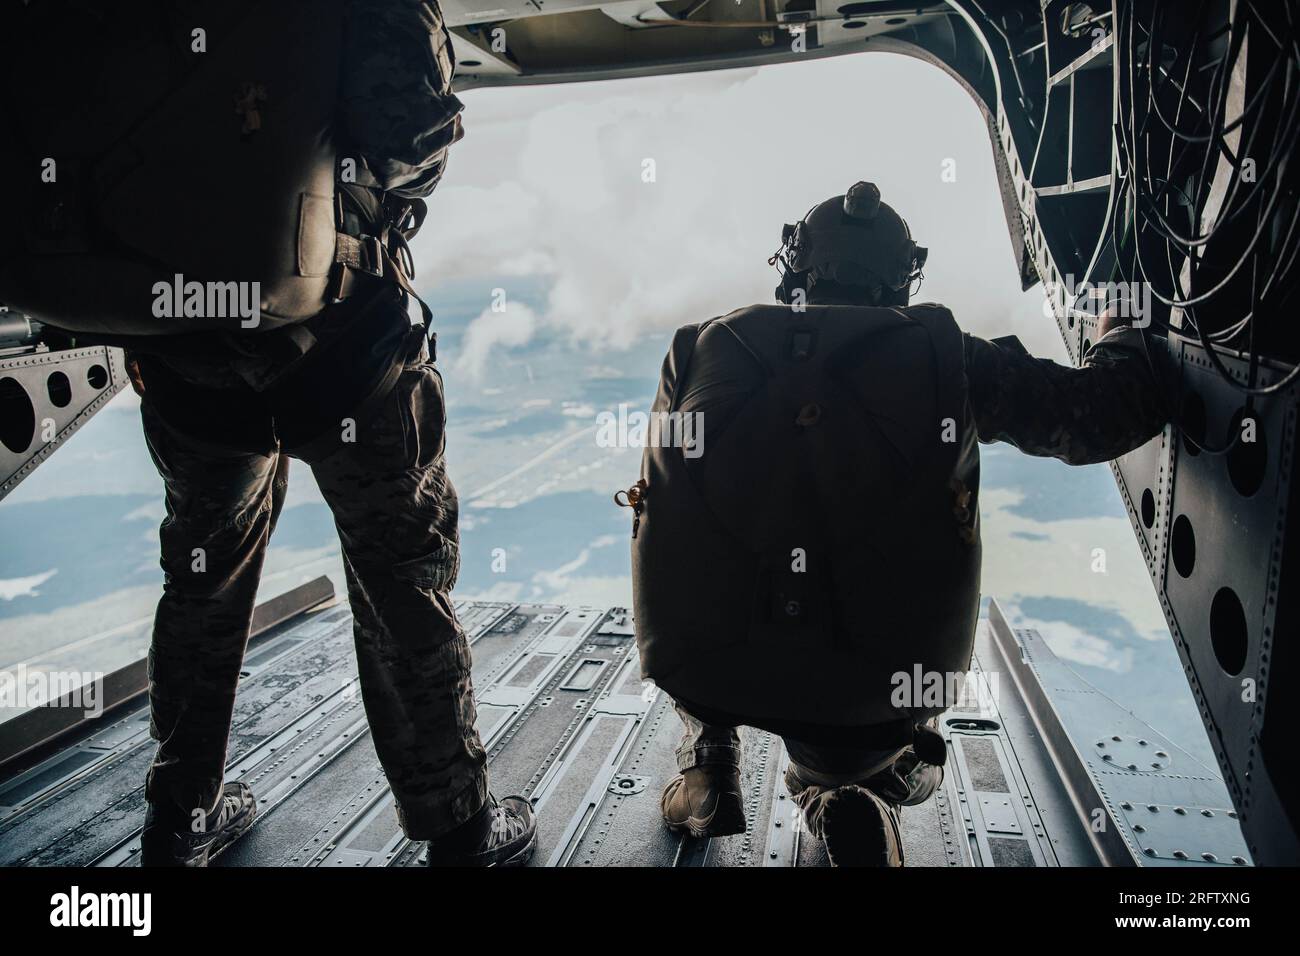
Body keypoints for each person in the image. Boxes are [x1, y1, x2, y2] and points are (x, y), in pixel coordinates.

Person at [0, 0, 536, 867]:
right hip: (342, 341)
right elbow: (410, 133)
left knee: (201, 579)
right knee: (401, 578)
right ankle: (459, 828)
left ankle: (180, 814)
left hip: (181, 354)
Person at [629, 181, 1168, 866]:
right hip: (872, 697)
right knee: (884, 765)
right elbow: (1105, 416)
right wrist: (1118, 332)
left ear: (797, 266)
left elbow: (671, 515)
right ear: (900, 278)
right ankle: (846, 790)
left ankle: (707, 762)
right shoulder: (947, 355)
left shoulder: (700, 346)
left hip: (704, 669)